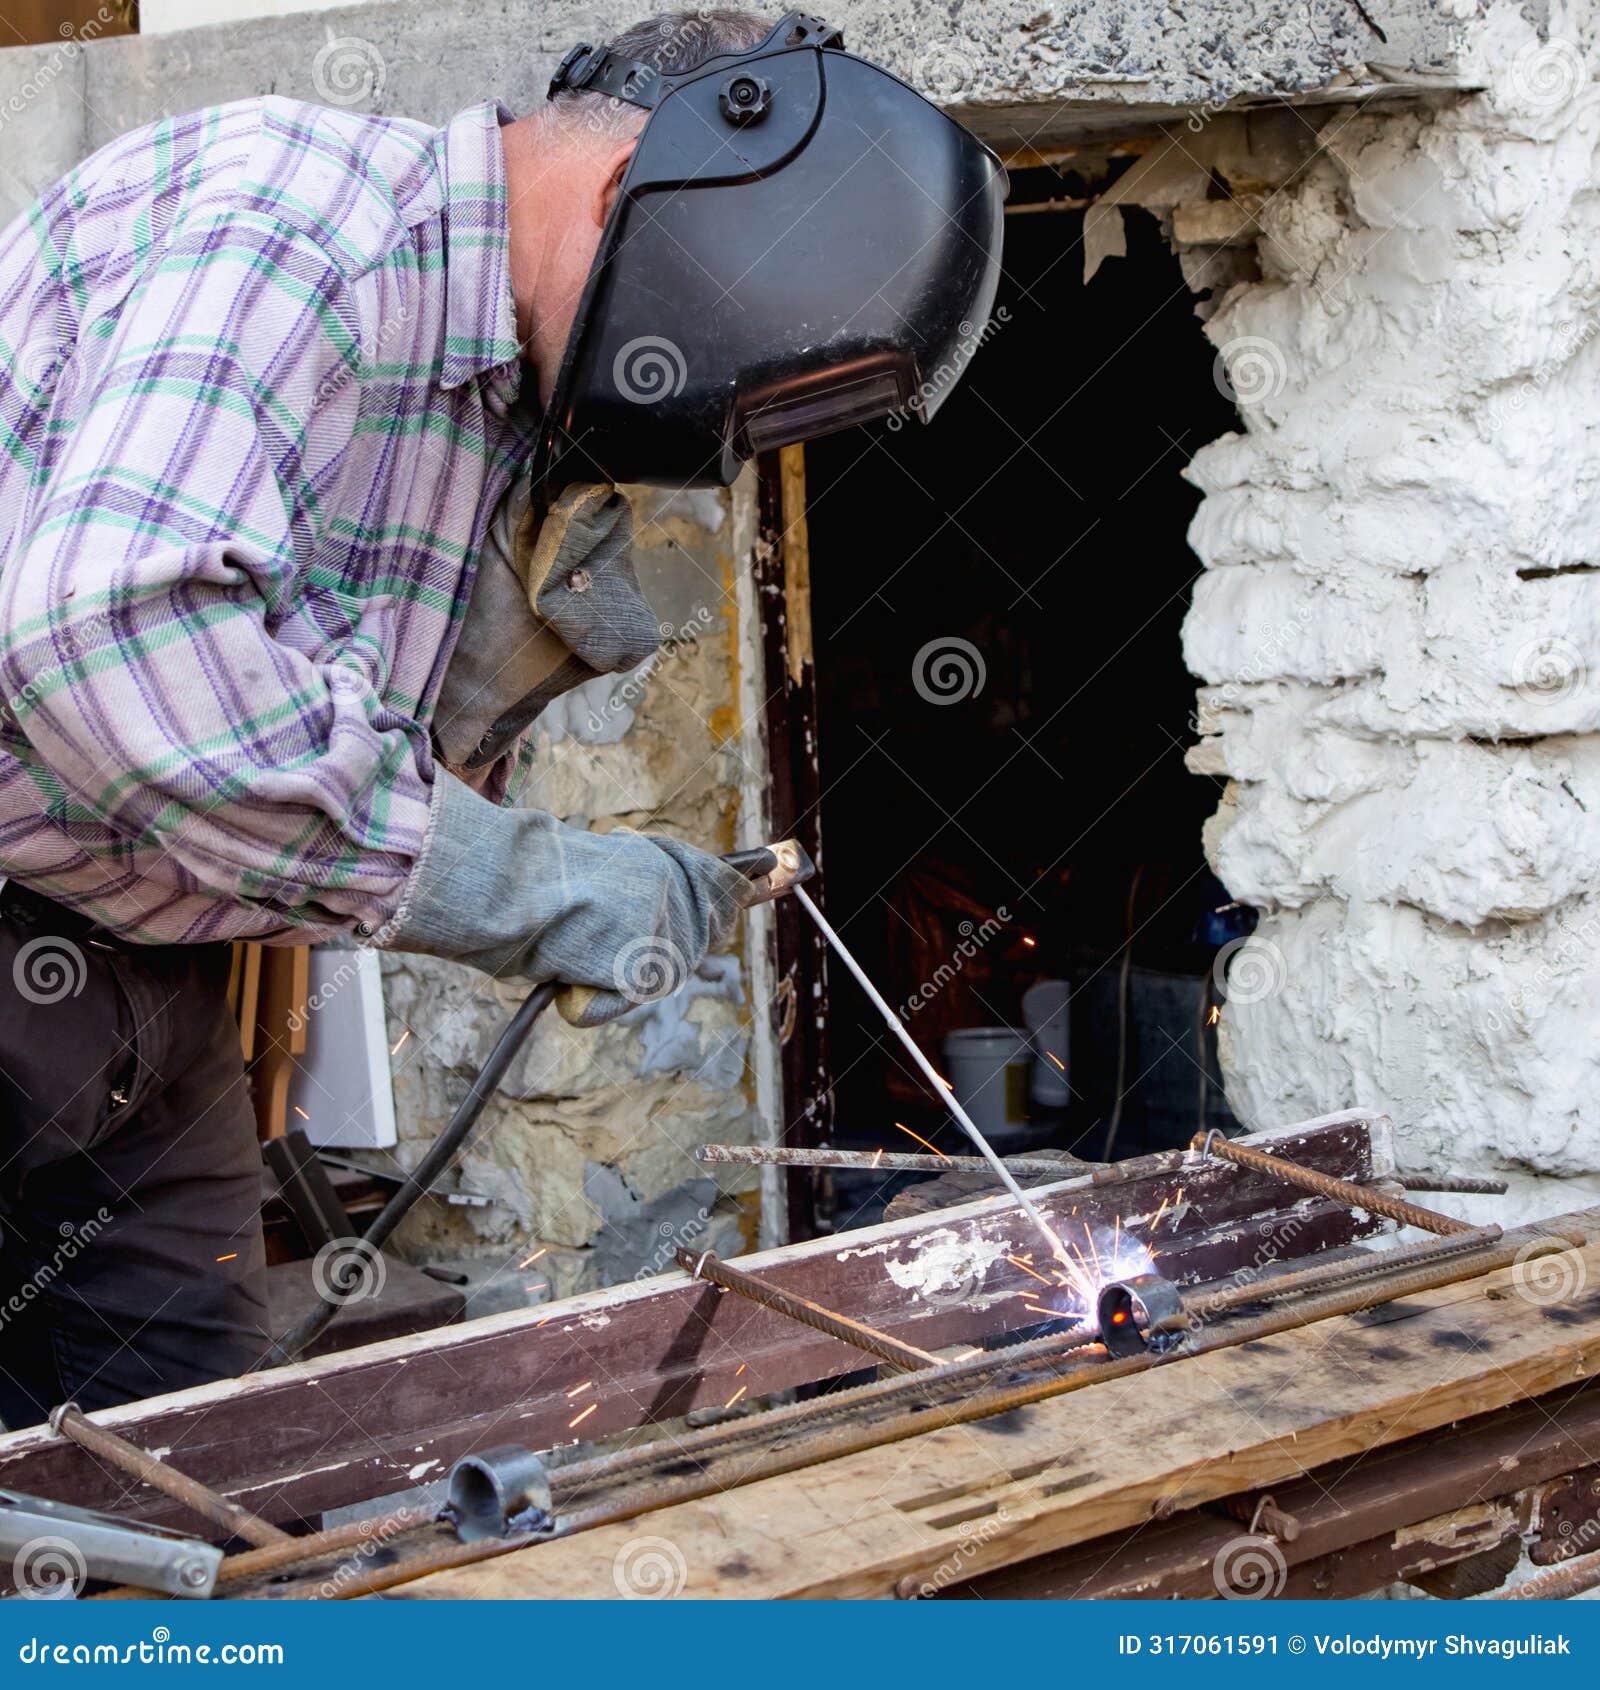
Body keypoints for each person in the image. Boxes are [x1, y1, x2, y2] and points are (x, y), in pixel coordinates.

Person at [0, 9, 1003, 1423]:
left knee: (189, 1470)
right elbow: (112, 634)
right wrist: (526, 884)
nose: (720, 429)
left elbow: (315, 733)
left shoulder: (491, 385)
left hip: (158, 987)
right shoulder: (302, 221)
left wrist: (489, 716)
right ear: (664, 215)